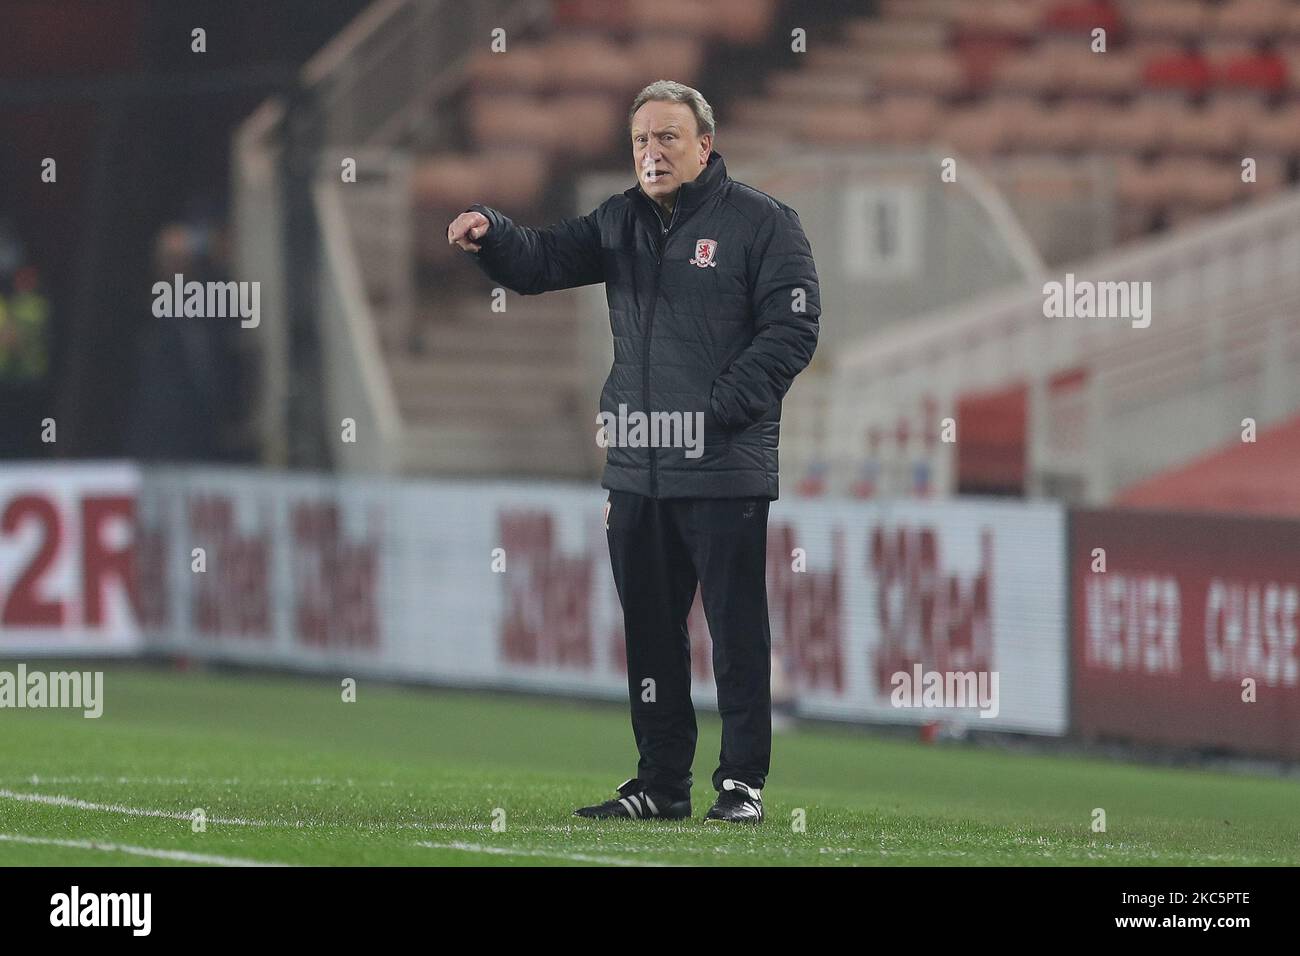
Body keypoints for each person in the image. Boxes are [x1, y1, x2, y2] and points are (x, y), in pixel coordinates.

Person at [449, 80, 820, 824]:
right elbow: (543, 261)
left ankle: (741, 783)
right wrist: (492, 230)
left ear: (705, 145)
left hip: (723, 468)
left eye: (668, 138)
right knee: (651, 636)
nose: (652, 152)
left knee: (735, 631)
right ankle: (661, 782)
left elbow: (792, 331)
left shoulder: (764, 223)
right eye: (642, 140)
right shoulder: (620, 220)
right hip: (638, 468)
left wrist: (709, 413)